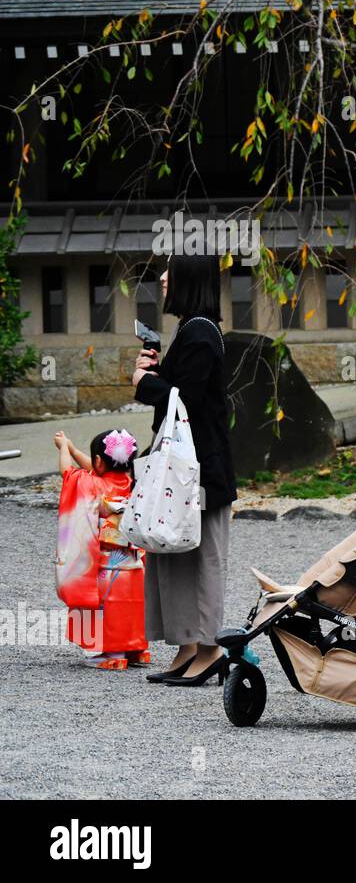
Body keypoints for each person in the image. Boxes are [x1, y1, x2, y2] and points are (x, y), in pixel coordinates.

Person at [132, 254, 236, 687]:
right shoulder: (192, 328)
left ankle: (209, 647)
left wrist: (145, 384)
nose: (162, 278)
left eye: (171, 272)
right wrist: (155, 372)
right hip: (188, 465)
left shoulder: (199, 333)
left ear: (189, 280)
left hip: (198, 468)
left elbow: (186, 399)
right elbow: (184, 391)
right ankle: (187, 646)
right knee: (175, 555)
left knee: (202, 555)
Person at [53, 429, 147, 670]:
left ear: (98, 461)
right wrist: (74, 449)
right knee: (132, 604)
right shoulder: (134, 483)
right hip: (134, 561)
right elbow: (98, 469)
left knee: (110, 607)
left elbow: (69, 474)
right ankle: (136, 649)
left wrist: (65, 449)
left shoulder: (93, 484)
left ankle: (112, 654)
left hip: (106, 561)